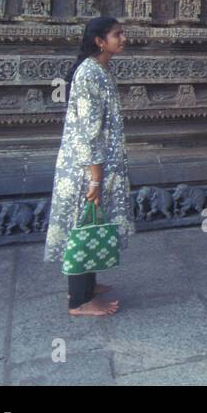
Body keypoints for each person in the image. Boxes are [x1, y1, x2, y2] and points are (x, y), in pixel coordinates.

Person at [43, 16, 134, 316]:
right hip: (87, 166)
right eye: (117, 34)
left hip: (98, 163)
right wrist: (95, 176)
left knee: (93, 222)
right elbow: (89, 128)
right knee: (81, 226)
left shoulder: (101, 69)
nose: (123, 39)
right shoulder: (88, 74)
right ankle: (79, 301)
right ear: (99, 41)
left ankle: (88, 285)